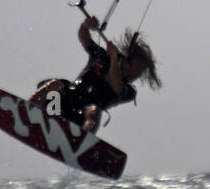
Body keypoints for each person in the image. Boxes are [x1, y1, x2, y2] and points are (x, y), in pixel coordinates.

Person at [30, 17, 160, 133]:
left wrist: (113, 58)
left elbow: (116, 85)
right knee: (56, 85)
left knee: (94, 111)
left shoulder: (129, 91)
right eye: (136, 68)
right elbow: (85, 38)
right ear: (127, 61)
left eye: (140, 72)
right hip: (56, 107)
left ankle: (80, 141)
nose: (137, 74)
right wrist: (86, 25)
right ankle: (27, 110)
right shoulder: (102, 58)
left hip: (79, 119)